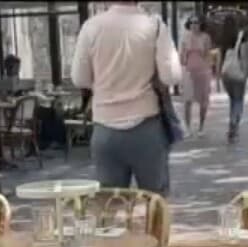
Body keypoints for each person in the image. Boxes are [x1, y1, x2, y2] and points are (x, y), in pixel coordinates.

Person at [71, 1, 180, 195]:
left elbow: (80, 78)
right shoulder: (154, 26)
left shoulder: (91, 27)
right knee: (154, 204)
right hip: (147, 127)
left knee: (110, 205)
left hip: (105, 129)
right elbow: (171, 76)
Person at [179, 16, 214, 138]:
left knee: (203, 101)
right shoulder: (185, 37)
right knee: (188, 100)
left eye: (197, 22)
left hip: (203, 71)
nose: (194, 25)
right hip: (189, 71)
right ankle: (187, 127)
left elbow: (207, 54)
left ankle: (201, 126)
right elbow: (181, 56)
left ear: (201, 24)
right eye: (192, 23)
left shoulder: (205, 37)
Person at [220, 24, 248, 143]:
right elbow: (244, 61)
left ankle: (231, 125)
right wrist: (247, 74)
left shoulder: (224, 43)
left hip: (226, 74)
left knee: (232, 100)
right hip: (238, 75)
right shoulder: (241, 42)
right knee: (238, 100)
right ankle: (234, 125)